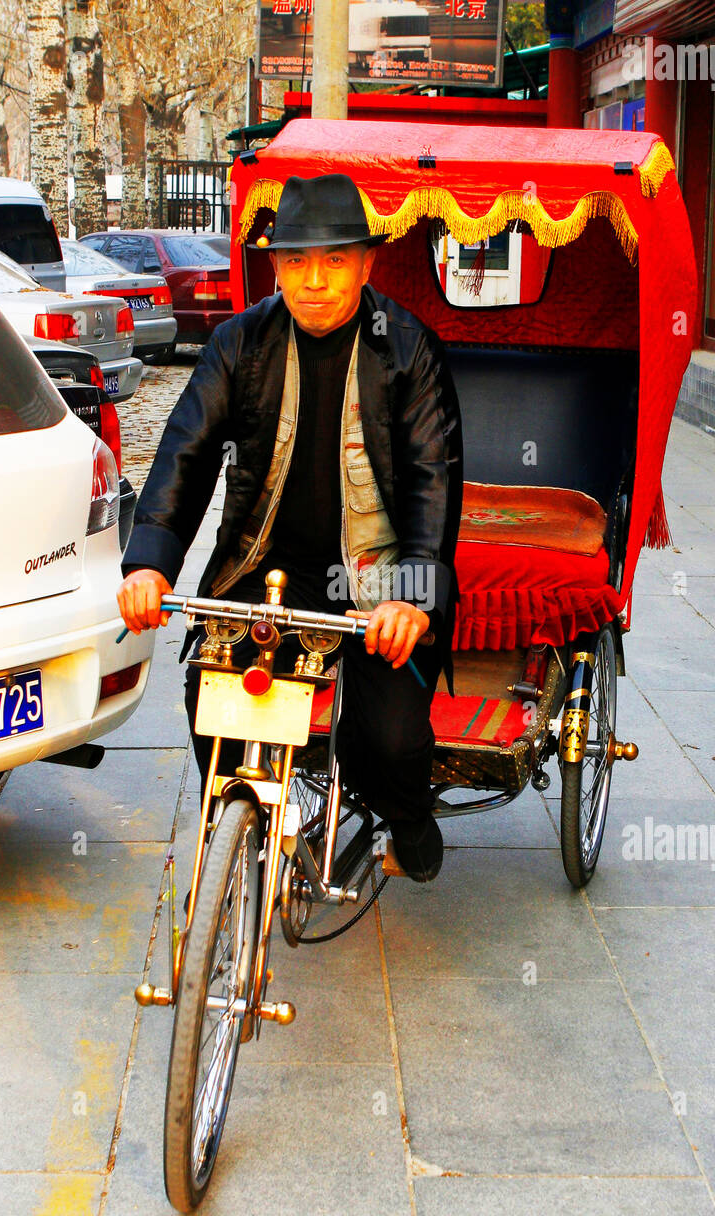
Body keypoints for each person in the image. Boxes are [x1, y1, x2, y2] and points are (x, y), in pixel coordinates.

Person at [116, 173, 463, 881]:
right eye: (296, 261)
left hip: (377, 582)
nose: (314, 280)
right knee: (209, 693)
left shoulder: (407, 348)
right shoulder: (239, 342)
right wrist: (148, 562)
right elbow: (186, 449)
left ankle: (408, 823)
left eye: (334, 260)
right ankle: (238, 832)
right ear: (274, 266)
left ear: (366, 264)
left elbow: (433, 481)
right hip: (265, 570)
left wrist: (413, 600)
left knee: (391, 742)